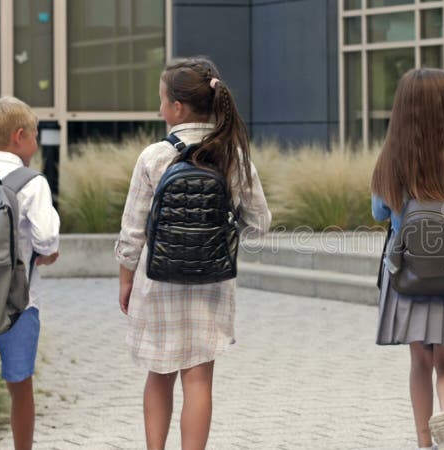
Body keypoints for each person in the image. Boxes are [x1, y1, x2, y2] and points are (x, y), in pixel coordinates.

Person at [115, 57, 271, 450]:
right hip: (212, 282)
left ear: (177, 108)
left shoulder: (153, 157)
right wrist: (224, 231)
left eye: (162, 100)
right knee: (198, 378)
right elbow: (260, 222)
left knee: (158, 373)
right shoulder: (233, 156)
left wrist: (126, 279)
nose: (159, 108)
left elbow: (132, 230)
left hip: (157, 280)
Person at [372, 68, 444, 450]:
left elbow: (378, 213)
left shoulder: (390, 158)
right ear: (441, 110)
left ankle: (424, 442)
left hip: (407, 274)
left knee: (420, 362)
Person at [0, 96, 61, 450]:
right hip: (19, 304)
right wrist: (46, 255)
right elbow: (47, 239)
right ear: (20, 136)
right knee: (20, 386)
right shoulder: (33, 182)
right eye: (35, 134)